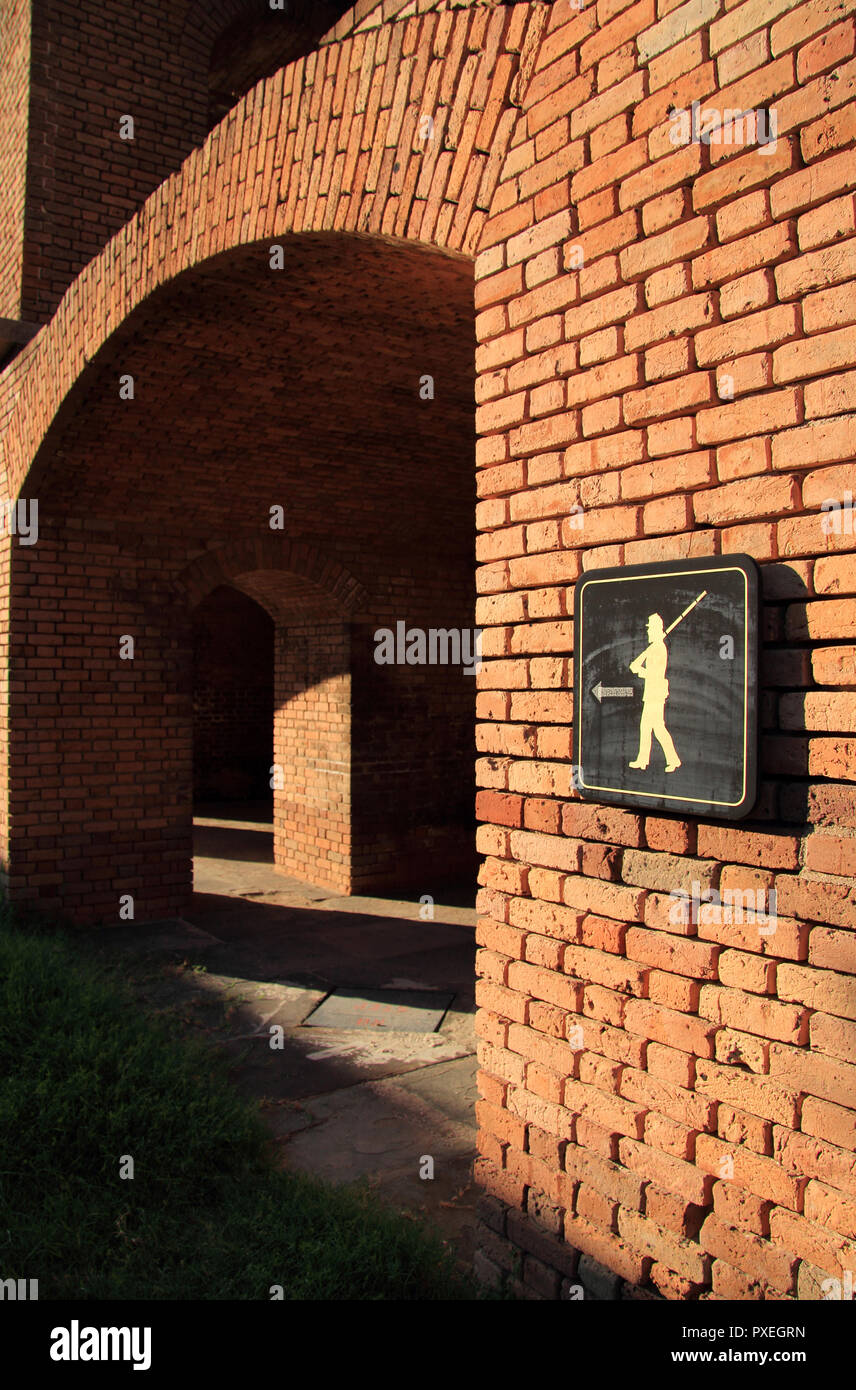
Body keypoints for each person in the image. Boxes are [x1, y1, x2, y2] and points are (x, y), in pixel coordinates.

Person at [628, 613, 681, 773]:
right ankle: (646, 760)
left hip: (656, 694)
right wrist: (638, 666)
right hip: (652, 693)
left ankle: (670, 760)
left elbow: (655, 674)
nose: (648, 632)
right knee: (650, 727)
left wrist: (639, 670)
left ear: (657, 630)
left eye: (650, 629)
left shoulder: (659, 649)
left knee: (655, 728)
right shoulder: (653, 648)